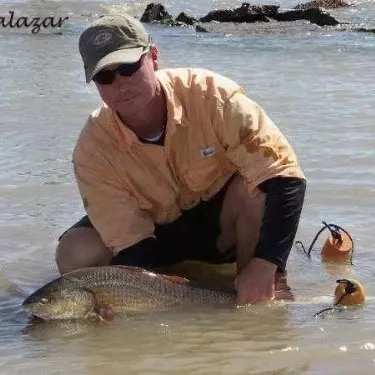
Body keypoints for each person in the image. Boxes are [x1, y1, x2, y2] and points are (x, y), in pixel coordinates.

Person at [56, 14, 306, 305]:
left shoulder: (213, 96)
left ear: (153, 57)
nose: (119, 85)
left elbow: (286, 177)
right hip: (155, 240)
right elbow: (129, 243)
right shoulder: (92, 149)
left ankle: (262, 287)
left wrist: (267, 261)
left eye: (128, 68)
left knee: (254, 189)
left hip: (224, 230)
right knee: (74, 252)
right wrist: (125, 299)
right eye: (104, 76)